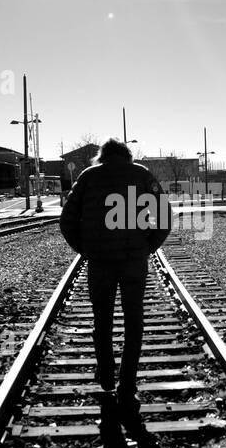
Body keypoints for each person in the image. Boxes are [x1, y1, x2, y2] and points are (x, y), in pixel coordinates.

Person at [59, 138, 173, 419]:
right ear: (127, 156)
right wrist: (148, 247)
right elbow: (164, 216)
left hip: (100, 263)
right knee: (134, 322)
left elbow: (66, 220)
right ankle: (128, 384)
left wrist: (85, 249)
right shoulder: (142, 174)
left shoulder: (88, 176)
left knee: (103, 320)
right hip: (134, 262)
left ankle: (107, 377)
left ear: (102, 156)